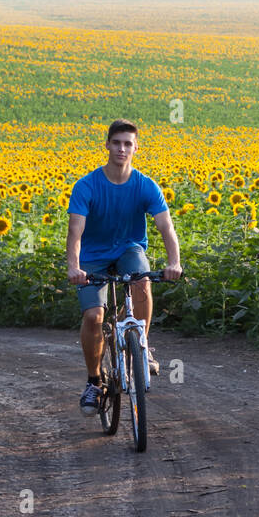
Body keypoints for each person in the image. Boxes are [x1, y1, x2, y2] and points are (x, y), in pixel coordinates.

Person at [68, 119, 183, 415]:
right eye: (116, 142)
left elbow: (166, 228)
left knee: (141, 280)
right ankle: (94, 382)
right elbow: (75, 232)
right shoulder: (87, 186)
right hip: (93, 256)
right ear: (106, 145)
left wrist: (174, 262)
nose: (122, 148)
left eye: (127, 144)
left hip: (129, 249)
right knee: (94, 316)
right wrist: (74, 267)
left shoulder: (145, 185)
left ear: (135, 148)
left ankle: (141, 347)